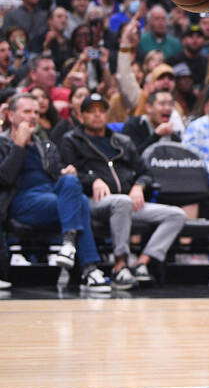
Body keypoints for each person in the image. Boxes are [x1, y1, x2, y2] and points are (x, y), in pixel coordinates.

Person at [60, 93, 188, 289]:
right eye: (91, 112)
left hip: (129, 202)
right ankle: (120, 265)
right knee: (122, 202)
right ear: (81, 115)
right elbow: (67, 174)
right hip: (93, 203)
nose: (97, 115)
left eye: (101, 111)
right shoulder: (72, 140)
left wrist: (139, 186)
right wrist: (92, 180)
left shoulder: (122, 141)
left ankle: (142, 263)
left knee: (176, 215)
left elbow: (145, 172)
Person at [0, 94, 111, 291]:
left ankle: (69, 245)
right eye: (26, 111)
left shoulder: (45, 144)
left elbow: (54, 176)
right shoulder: (3, 142)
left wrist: (63, 172)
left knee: (70, 181)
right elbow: (5, 178)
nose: (33, 116)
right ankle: (88, 268)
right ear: (10, 115)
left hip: (50, 195)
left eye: (36, 112)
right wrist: (19, 145)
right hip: (21, 201)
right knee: (81, 203)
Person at [123, 88, 182, 153]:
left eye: (171, 104)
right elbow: (132, 156)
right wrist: (156, 135)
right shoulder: (133, 125)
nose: (168, 108)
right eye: (162, 104)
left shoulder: (175, 125)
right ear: (149, 107)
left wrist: (173, 136)